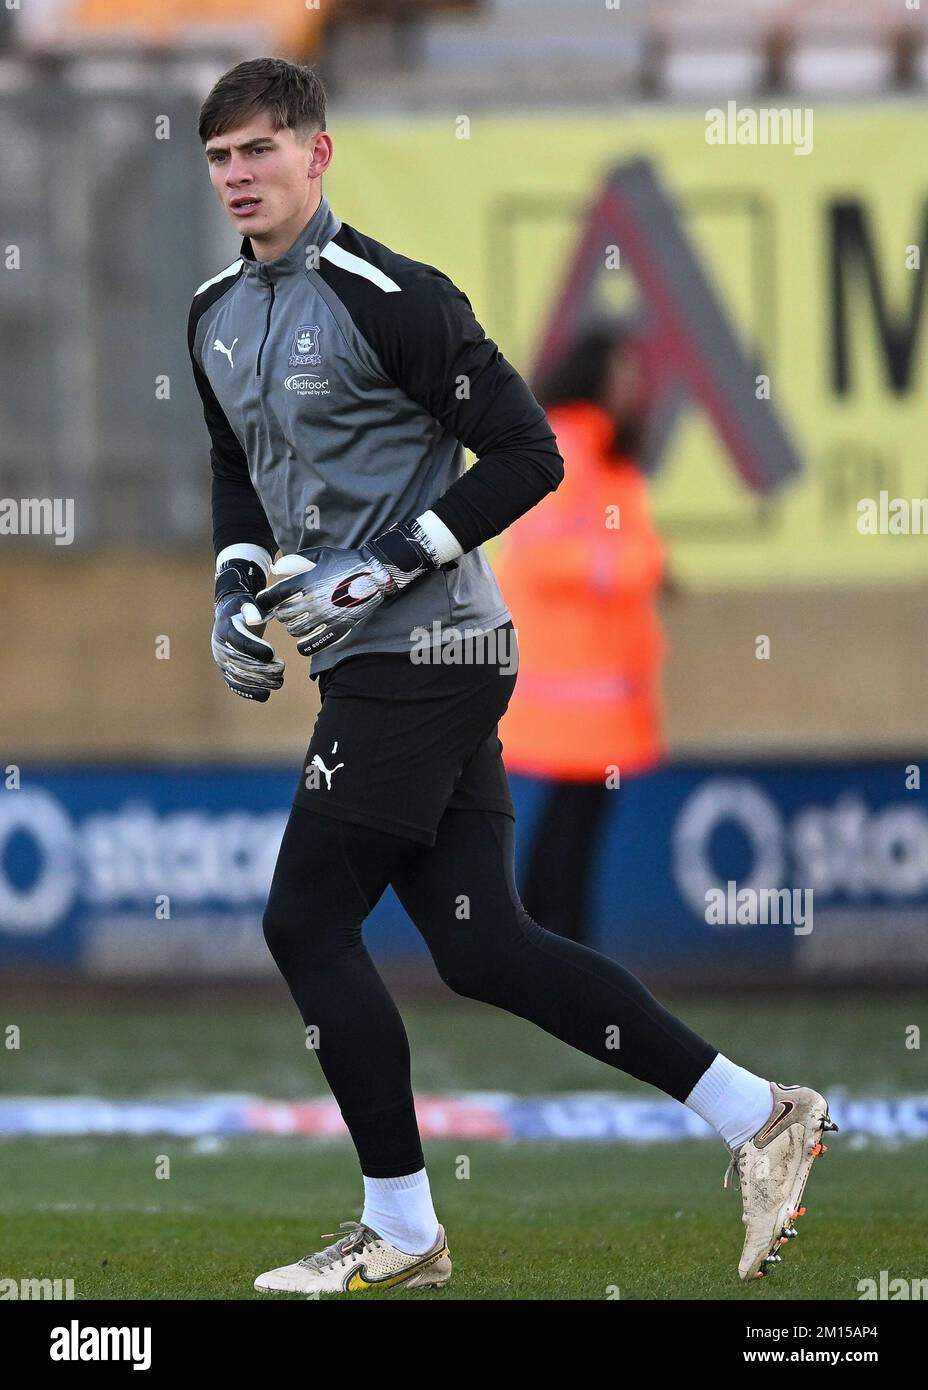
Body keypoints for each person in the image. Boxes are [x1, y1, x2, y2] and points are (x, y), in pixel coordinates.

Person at [188, 56, 836, 1294]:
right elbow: (235, 465)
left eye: (260, 150)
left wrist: (382, 567)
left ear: (316, 154)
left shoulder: (394, 295)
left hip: (427, 650)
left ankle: (404, 1228)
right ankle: (759, 1112)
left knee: (304, 919)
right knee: (484, 944)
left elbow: (529, 454)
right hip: (379, 659)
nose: (237, 176)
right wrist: (232, 584)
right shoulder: (214, 309)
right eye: (219, 157)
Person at [496, 328, 667, 945]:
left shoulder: (603, 454)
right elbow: (539, 553)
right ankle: (551, 944)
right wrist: (631, 566)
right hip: (575, 691)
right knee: (572, 822)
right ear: (592, 375)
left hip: (600, 689)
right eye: (623, 375)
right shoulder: (567, 447)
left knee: (579, 819)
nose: (634, 389)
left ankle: (554, 944)